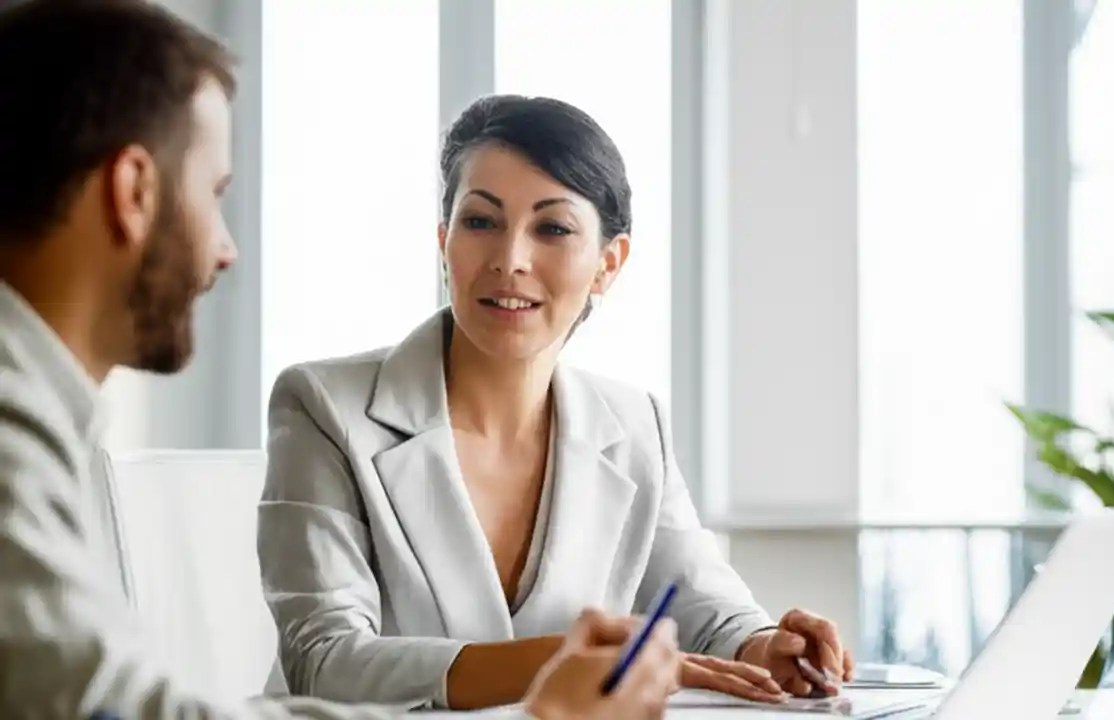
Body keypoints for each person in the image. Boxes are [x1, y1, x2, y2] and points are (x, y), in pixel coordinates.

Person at [0, 1, 677, 718]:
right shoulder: (16, 423)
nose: (226, 249)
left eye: (551, 227)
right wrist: (546, 713)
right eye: (214, 193)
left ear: (609, 262)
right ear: (133, 191)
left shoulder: (42, 411)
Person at [257, 94, 856, 712]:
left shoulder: (634, 425)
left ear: (608, 263)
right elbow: (323, 658)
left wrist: (761, 647)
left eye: (552, 229)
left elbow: (701, 607)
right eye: (481, 222)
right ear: (444, 243)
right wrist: (555, 662)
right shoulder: (324, 406)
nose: (510, 260)